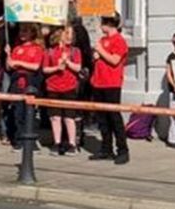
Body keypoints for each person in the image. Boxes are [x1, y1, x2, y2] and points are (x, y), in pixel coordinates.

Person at [90, 13, 131, 165]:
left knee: (114, 118)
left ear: (109, 23)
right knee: (102, 119)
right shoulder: (102, 40)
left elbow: (115, 60)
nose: (100, 26)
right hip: (98, 82)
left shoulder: (119, 40)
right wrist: (96, 55)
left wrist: (100, 51)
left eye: (102, 23)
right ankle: (106, 148)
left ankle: (122, 149)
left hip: (111, 83)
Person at [44, 25, 83, 156]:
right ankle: (57, 142)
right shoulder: (50, 51)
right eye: (67, 33)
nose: (70, 36)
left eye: (71, 34)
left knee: (69, 117)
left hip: (69, 87)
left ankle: (72, 143)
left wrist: (67, 62)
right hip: (53, 87)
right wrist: (56, 68)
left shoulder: (75, 51)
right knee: (55, 117)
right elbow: (44, 69)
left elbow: (78, 68)